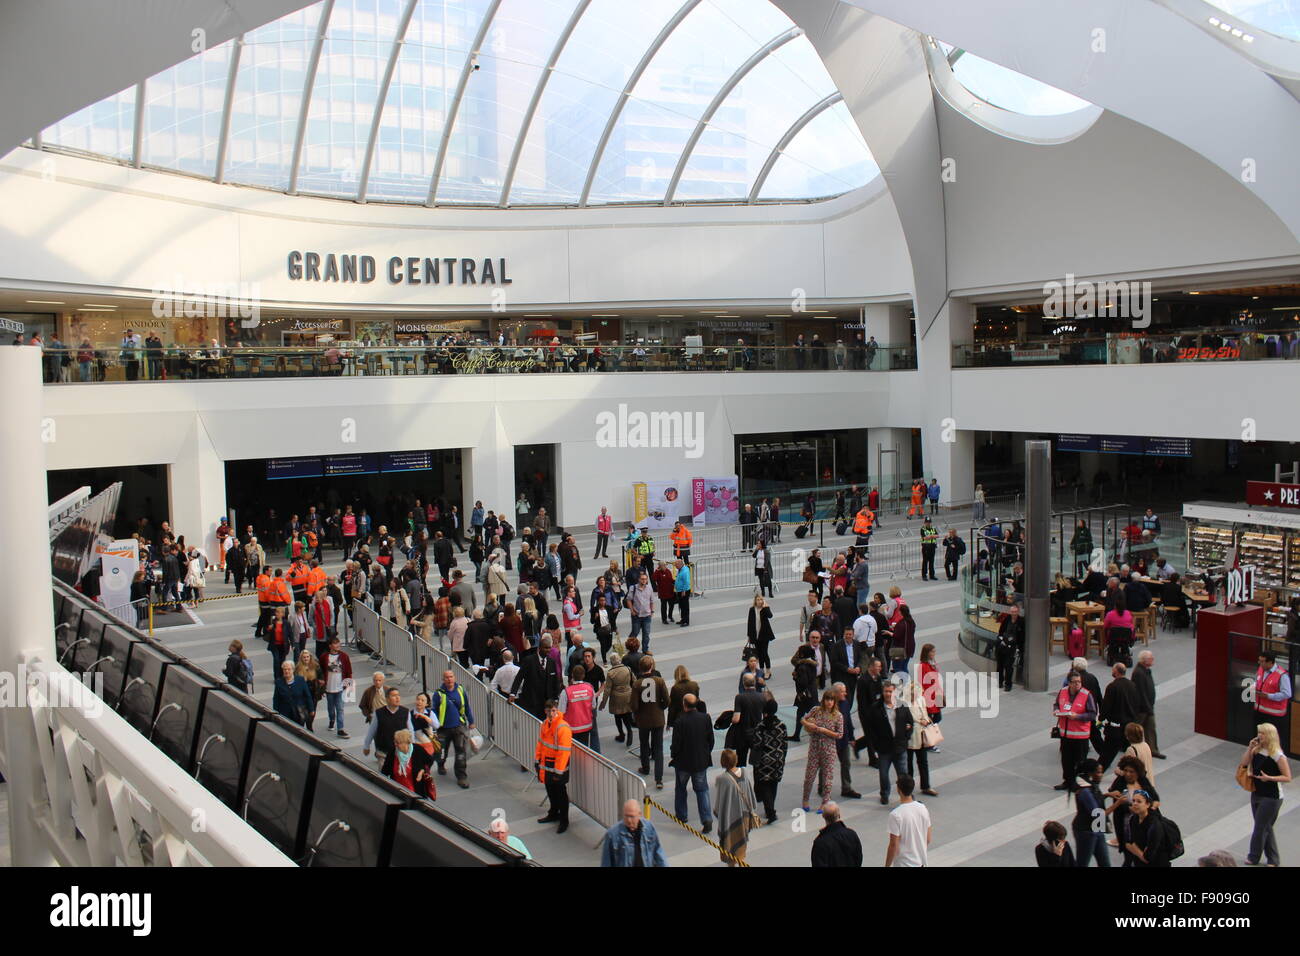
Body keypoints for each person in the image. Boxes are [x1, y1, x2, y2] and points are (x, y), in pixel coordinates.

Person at [1242, 722, 1291, 866]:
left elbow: (1287, 777)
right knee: (1266, 827)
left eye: (1262, 733)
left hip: (1272, 796)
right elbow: (1244, 764)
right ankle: (1273, 860)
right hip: (1257, 792)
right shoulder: (1257, 749)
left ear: (1269, 736)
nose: (1259, 736)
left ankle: (1253, 857)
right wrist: (1250, 748)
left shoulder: (1277, 755)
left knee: (1260, 827)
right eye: (1259, 733)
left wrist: (1269, 778)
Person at [670, 693, 714, 831]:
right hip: (700, 761)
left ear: (684, 705)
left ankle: (682, 815)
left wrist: (674, 755)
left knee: (681, 789)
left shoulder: (680, 721)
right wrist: (706, 753)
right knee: (702, 790)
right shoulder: (705, 718)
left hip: (683, 762)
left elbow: (676, 744)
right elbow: (710, 740)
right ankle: (706, 819)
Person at [867, 681, 912, 804]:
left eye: (890, 691)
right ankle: (884, 794)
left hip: (899, 747)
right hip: (884, 748)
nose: (888, 694)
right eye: (886, 691)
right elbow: (871, 729)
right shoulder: (876, 708)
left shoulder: (902, 706)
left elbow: (910, 723)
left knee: (903, 774)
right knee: (883, 774)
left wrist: (906, 737)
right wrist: (876, 745)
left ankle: (906, 795)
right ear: (882, 692)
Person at [713, 748, 760, 866]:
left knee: (730, 850)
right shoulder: (745, 772)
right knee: (741, 846)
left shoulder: (722, 779)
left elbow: (719, 805)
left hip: (730, 819)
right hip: (744, 817)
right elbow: (751, 795)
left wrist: (718, 813)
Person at [430, 670, 476, 789]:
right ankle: (441, 764)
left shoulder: (460, 690)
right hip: (443, 728)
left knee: (461, 752)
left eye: (451, 677)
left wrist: (471, 721)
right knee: (441, 752)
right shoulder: (438, 694)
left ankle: (461, 777)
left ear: (454, 678)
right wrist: (433, 726)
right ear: (443, 679)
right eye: (446, 677)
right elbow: (434, 710)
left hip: (459, 727)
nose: (449, 679)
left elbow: (466, 706)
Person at [1053, 670, 1097, 791]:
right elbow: (1056, 704)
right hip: (1066, 734)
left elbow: (1092, 714)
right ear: (1069, 683)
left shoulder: (1086, 695)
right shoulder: (1062, 692)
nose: (1078, 684)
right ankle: (1067, 781)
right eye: (1075, 682)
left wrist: (1077, 717)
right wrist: (1056, 710)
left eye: (1079, 682)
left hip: (1080, 736)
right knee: (1066, 760)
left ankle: (1078, 784)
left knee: (1080, 762)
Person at [801, 688, 843, 812]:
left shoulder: (838, 716)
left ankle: (825, 802)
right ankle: (805, 799)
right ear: (823, 700)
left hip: (829, 749)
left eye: (832, 700)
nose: (829, 702)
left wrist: (825, 731)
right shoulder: (816, 710)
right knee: (809, 776)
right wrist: (808, 725)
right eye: (827, 699)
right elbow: (803, 719)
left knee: (827, 778)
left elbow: (840, 734)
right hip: (814, 747)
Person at [535, 699, 573, 833]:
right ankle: (553, 813)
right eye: (548, 711)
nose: (551, 713)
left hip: (557, 767)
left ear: (557, 710)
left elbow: (563, 752)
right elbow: (541, 743)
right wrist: (537, 759)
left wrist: (559, 771)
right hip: (546, 764)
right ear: (545, 711)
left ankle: (564, 820)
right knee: (550, 791)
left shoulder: (563, 727)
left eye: (553, 710)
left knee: (561, 794)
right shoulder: (545, 724)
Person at [750, 694, 788, 825]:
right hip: (778, 759)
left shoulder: (760, 726)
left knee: (765, 784)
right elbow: (785, 744)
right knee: (774, 784)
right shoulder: (782, 725)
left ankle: (770, 811)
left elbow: (756, 744)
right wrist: (782, 758)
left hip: (764, 760)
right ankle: (770, 807)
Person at [600, 798, 668, 867]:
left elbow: (658, 853)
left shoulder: (649, 828)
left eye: (632, 816)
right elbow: (606, 862)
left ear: (639, 814)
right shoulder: (613, 834)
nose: (629, 820)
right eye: (626, 816)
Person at [634, 656, 668, 789]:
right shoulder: (659, 681)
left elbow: (634, 705)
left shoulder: (637, 683)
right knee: (658, 748)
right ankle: (659, 779)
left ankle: (645, 767)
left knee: (644, 743)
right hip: (658, 718)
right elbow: (667, 700)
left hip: (643, 720)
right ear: (652, 667)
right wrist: (661, 708)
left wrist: (637, 713)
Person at [885, 774, 932, 867]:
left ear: (899, 790)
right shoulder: (923, 808)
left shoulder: (896, 815)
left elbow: (893, 845)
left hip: (904, 863)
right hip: (920, 862)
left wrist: (886, 865)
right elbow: (928, 839)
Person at [1072, 758, 1112, 867]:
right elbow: (1098, 814)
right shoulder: (1085, 791)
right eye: (1098, 772)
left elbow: (1095, 801)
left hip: (1096, 829)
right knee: (1082, 863)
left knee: (1105, 863)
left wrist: (1107, 795)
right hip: (1086, 831)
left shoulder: (1091, 786)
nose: (1101, 775)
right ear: (1090, 773)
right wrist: (1117, 804)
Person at [363, 687, 413, 771]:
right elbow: (371, 731)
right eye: (394, 695)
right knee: (384, 776)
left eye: (398, 695)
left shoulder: (405, 712)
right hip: (384, 752)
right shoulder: (379, 713)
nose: (397, 698)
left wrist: (413, 746)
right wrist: (366, 746)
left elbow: (411, 731)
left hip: (401, 752)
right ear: (387, 699)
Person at [902, 679, 939, 797]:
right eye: (913, 693)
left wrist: (926, 720)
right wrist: (919, 721)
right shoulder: (903, 703)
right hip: (910, 737)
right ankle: (909, 789)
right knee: (909, 765)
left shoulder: (921, 699)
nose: (915, 695)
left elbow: (925, 713)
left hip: (922, 735)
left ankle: (926, 786)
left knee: (923, 762)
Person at [382, 728, 435, 799]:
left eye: (398, 742)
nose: (395, 744)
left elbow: (429, 760)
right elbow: (385, 771)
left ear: (406, 743)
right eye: (395, 741)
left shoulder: (418, 750)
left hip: (416, 793)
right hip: (398, 794)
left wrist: (422, 771)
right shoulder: (392, 752)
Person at [1133, 650, 1165, 759]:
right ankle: (1133, 749)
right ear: (1144, 660)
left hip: (1148, 707)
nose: (1153, 659)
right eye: (1151, 658)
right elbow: (1141, 693)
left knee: (1150, 728)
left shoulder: (1146, 671)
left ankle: (1153, 750)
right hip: (1143, 708)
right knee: (1137, 730)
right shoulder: (1138, 673)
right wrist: (1148, 708)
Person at [1122, 790, 1168, 867]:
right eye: (1133, 801)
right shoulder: (1133, 819)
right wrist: (1139, 852)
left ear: (1148, 804)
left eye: (1139, 801)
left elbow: (1147, 858)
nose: (1135, 804)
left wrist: (1133, 846)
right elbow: (1126, 843)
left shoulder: (1154, 825)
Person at [1253, 650, 1292, 742]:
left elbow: (1287, 693)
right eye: (1259, 660)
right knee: (1259, 740)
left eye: (1262, 661)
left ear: (1270, 662)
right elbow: (1257, 681)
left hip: (1274, 716)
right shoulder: (1261, 669)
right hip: (1259, 712)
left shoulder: (1282, 675)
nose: (1259, 663)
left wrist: (1268, 696)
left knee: (1271, 742)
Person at [810, 801, 862, 867]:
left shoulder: (820, 843)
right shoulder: (852, 834)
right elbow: (858, 858)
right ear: (839, 815)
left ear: (823, 816)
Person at [560, 664, 598, 752]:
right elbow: (593, 706)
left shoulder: (566, 692)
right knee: (583, 751)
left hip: (571, 728)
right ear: (584, 675)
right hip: (586, 726)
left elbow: (561, 711)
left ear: (572, 675)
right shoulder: (590, 688)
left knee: (571, 752)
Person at [730, 673, 766, 767]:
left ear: (743, 683)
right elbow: (765, 716)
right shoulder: (762, 696)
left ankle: (742, 780)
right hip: (757, 733)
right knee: (757, 761)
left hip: (743, 733)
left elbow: (736, 719)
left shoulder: (740, 697)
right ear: (754, 683)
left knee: (740, 761)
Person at [996, 603, 1023, 692]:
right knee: (1000, 665)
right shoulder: (1007, 619)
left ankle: (1008, 684)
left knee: (1008, 666)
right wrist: (1001, 640)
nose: (1013, 613)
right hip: (1002, 645)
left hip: (1012, 647)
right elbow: (1001, 631)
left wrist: (1019, 648)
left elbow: (1022, 636)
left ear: (1018, 612)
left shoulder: (1021, 621)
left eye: (1015, 612)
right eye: (1012, 611)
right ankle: (1000, 681)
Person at [295, 650, 323, 731]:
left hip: (313, 693)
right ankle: (302, 727)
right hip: (302, 694)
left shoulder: (316, 666)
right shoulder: (297, 668)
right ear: (301, 658)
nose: (306, 658)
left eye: (307, 657)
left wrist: (321, 688)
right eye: (304, 657)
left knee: (312, 712)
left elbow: (321, 678)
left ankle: (309, 726)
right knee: (302, 713)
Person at [673, 558, 691, 627]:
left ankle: (686, 621)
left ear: (680, 564)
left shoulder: (684, 571)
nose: (675, 566)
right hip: (680, 590)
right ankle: (683, 619)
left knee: (685, 606)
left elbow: (686, 582)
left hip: (684, 591)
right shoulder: (681, 569)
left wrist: (683, 591)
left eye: (676, 565)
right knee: (681, 606)